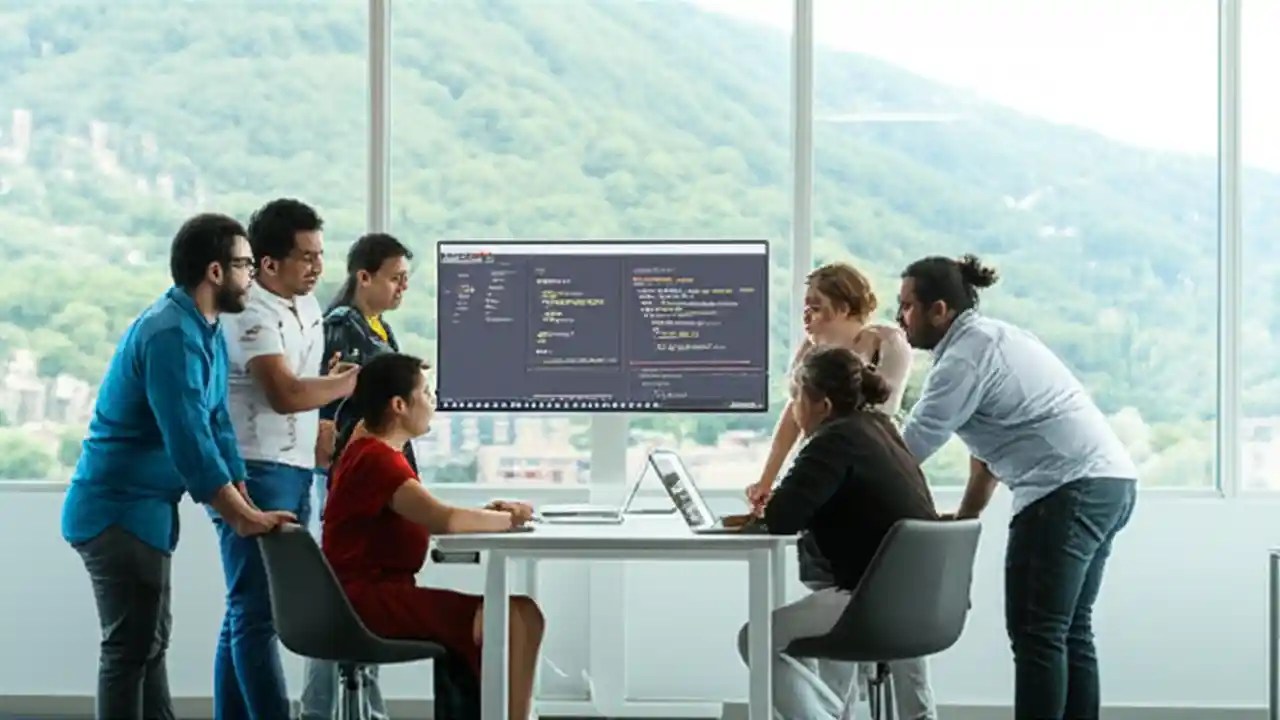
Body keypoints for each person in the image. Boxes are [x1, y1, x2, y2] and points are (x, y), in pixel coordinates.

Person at [60, 213, 296, 720]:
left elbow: (217, 423)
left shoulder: (204, 327)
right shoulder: (169, 333)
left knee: (151, 643)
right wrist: (240, 517)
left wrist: (245, 499)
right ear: (215, 272)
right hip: (115, 512)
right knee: (129, 649)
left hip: (146, 512)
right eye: (245, 266)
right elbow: (187, 436)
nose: (252, 277)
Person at [896, 254, 1138, 720]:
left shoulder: (963, 359)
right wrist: (966, 515)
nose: (899, 317)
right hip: (1110, 483)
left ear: (939, 309)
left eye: (907, 306)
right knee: (1068, 631)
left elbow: (914, 444)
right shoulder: (993, 338)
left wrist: (855, 474)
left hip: (1065, 490)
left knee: (1037, 633)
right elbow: (987, 449)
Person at [744, 262, 932, 719]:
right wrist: (770, 480)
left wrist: (768, 503)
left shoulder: (834, 439)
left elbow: (783, 520)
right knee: (813, 644)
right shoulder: (880, 431)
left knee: (756, 640)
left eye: (800, 400)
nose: (795, 410)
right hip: (926, 594)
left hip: (870, 596)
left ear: (821, 404)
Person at [322, 352, 545, 720]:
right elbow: (446, 520)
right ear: (399, 405)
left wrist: (490, 515)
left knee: (520, 613)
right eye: (425, 393)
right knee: (519, 616)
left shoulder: (367, 450)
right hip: (367, 601)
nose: (433, 401)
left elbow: (432, 512)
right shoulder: (378, 458)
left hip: (361, 596)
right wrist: (512, 519)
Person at [214, 198, 359, 720]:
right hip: (256, 470)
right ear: (268, 263)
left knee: (248, 611)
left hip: (296, 468)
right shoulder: (248, 308)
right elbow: (283, 392)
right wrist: (342, 385)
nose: (318, 267)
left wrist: (325, 400)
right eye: (305, 257)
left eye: (320, 254)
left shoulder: (312, 306)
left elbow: (307, 386)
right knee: (255, 612)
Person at [300, 232, 413, 720]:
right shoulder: (343, 325)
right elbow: (330, 398)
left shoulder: (381, 329)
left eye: (406, 280)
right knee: (347, 599)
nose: (401, 288)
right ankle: (325, 711)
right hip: (358, 480)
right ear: (363, 276)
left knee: (371, 601)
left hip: (386, 475)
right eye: (395, 278)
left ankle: (365, 708)